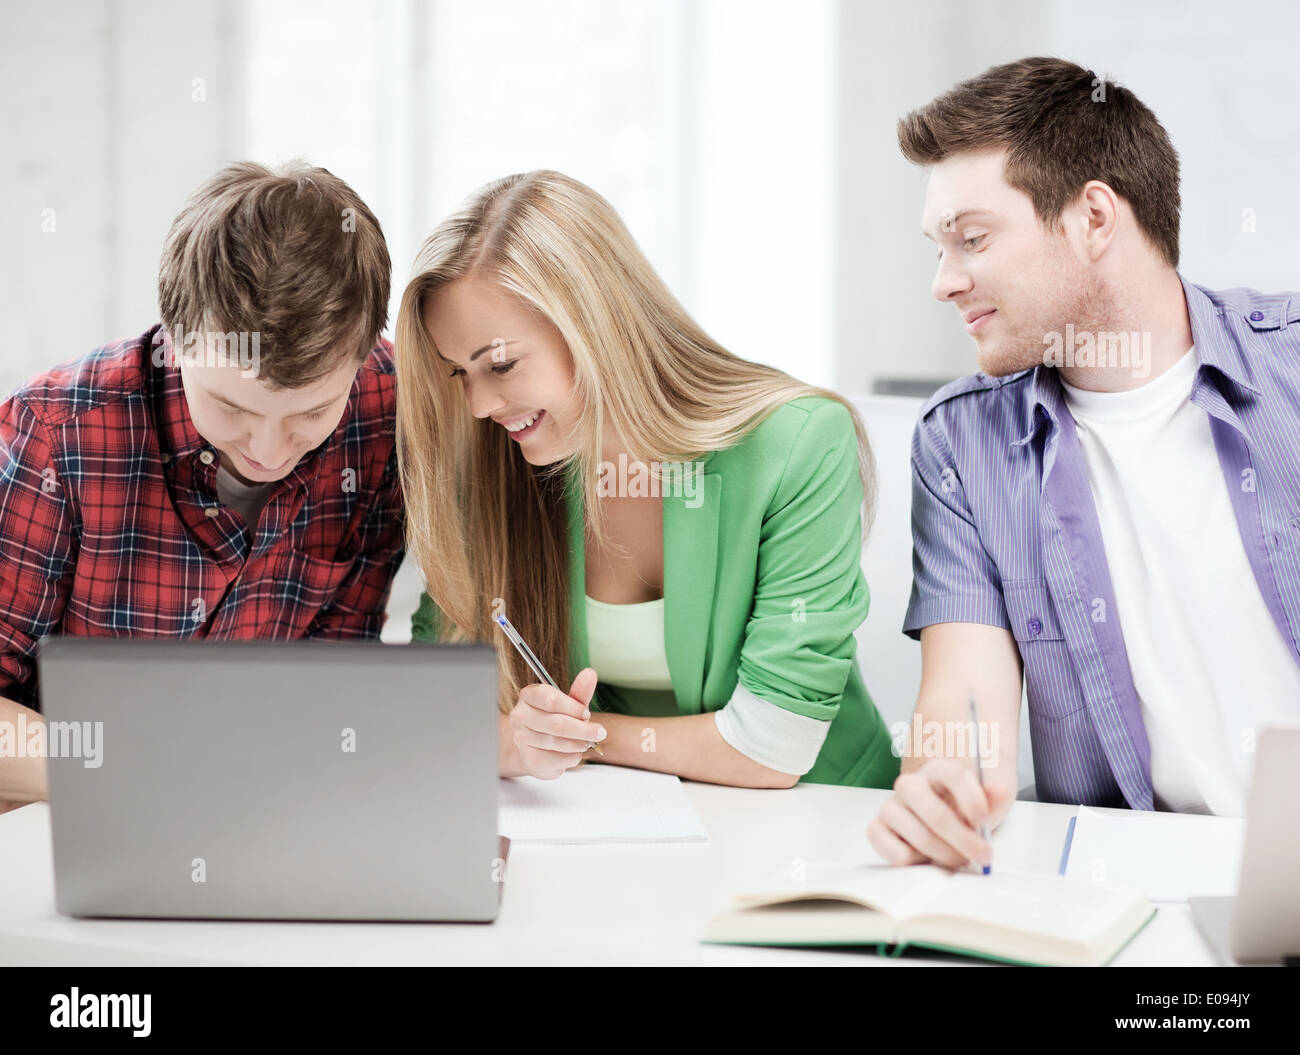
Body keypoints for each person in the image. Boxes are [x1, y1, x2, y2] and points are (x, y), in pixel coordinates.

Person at [868, 57, 1300, 870]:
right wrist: (943, 790)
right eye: (938, 246)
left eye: (972, 238)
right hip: (1140, 895)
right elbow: (963, 718)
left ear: (1094, 216)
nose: (944, 281)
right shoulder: (963, 444)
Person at [396, 170, 899, 789]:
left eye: (500, 364)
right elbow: (431, 706)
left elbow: (774, 743)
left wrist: (570, 741)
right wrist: (512, 743)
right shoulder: (495, 463)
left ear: (596, 322)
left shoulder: (797, 444)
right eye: (458, 375)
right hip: (618, 830)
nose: (478, 405)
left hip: (825, 823)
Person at [0, 161, 405, 810]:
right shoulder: (58, 435)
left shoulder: (386, 412)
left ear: (361, 357)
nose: (270, 451)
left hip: (271, 811)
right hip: (68, 820)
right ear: (176, 338)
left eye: (309, 414)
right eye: (233, 408)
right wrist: (136, 773)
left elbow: (337, 682)